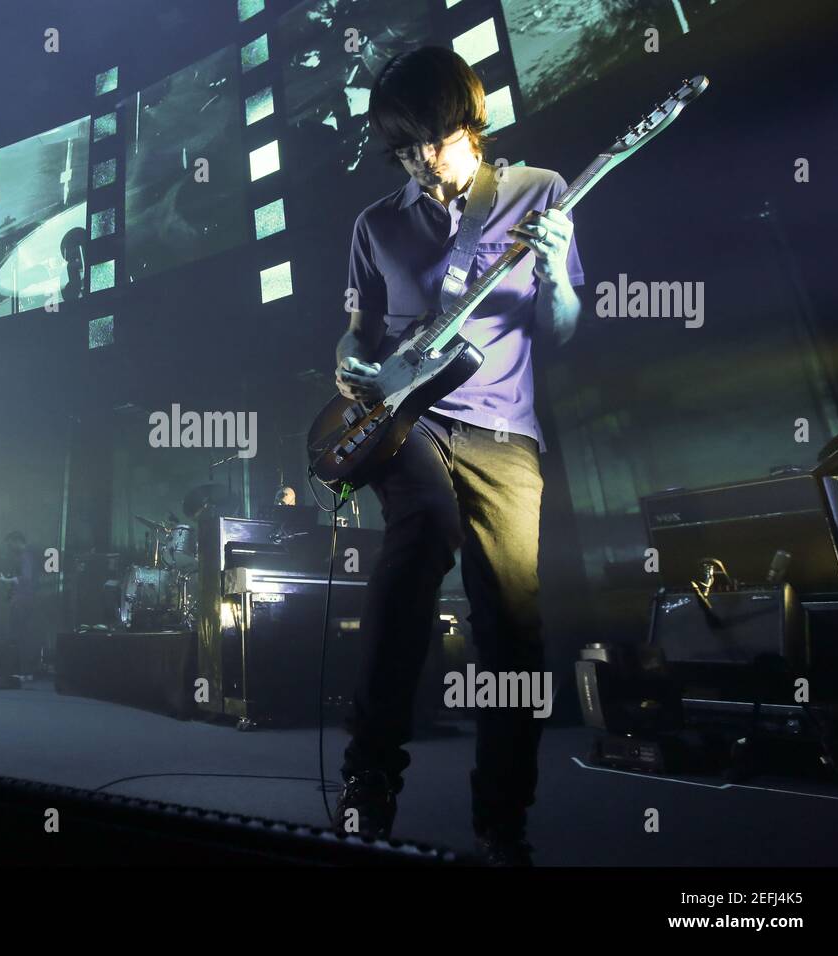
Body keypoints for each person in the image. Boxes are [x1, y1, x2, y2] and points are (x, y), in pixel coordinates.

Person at [331, 48, 584, 865]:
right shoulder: (376, 225)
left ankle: (501, 822)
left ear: (470, 123)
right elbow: (355, 336)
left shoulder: (539, 192)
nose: (419, 164)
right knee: (416, 548)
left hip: (506, 433)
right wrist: (350, 365)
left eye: (429, 144)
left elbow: (564, 329)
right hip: (412, 426)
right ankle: (370, 784)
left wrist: (558, 272)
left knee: (511, 629)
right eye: (401, 151)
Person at [0, 530, 38, 688]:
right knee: (22, 635)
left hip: (22, 600)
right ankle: (25, 671)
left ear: (16, 541)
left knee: (19, 635)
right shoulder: (25, 555)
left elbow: (26, 578)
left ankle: (23, 671)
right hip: (24, 600)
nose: (9, 547)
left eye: (10, 544)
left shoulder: (25, 555)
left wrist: (6, 580)